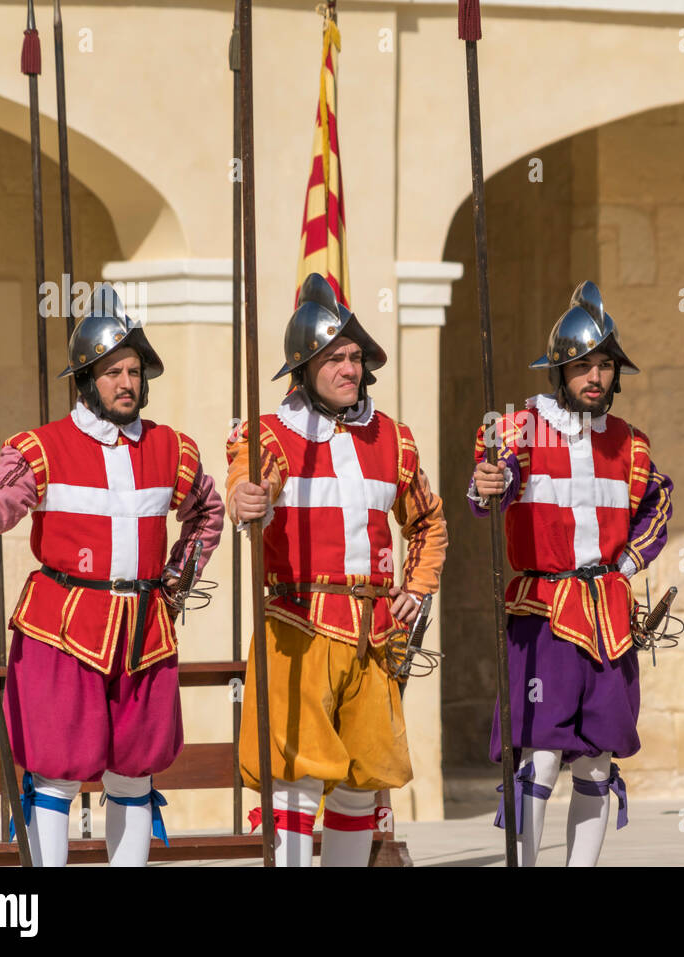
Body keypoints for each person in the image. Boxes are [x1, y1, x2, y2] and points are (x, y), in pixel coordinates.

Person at [0, 285, 224, 866]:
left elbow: (208, 513)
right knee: (55, 775)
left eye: (134, 371)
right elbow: (4, 503)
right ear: (86, 379)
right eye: (112, 371)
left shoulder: (173, 449)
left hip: (144, 632)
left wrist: (175, 582)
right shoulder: (41, 448)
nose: (127, 383)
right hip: (60, 630)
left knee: (134, 774)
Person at [227, 274, 447, 867]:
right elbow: (250, 484)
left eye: (354, 357)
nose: (349, 368)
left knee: (360, 778)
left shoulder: (395, 440)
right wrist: (249, 499)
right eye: (334, 358)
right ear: (304, 367)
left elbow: (426, 522)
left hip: (375, 631)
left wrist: (419, 589)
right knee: (295, 777)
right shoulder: (267, 435)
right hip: (297, 624)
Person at [469, 280, 673, 866]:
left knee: (598, 759)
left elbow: (659, 502)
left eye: (605, 366)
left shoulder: (631, 443)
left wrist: (630, 561)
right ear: (559, 369)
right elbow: (488, 489)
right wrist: (488, 486)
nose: (595, 377)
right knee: (540, 756)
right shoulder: (516, 427)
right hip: (543, 610)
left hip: (608, 612)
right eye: (583, 365)